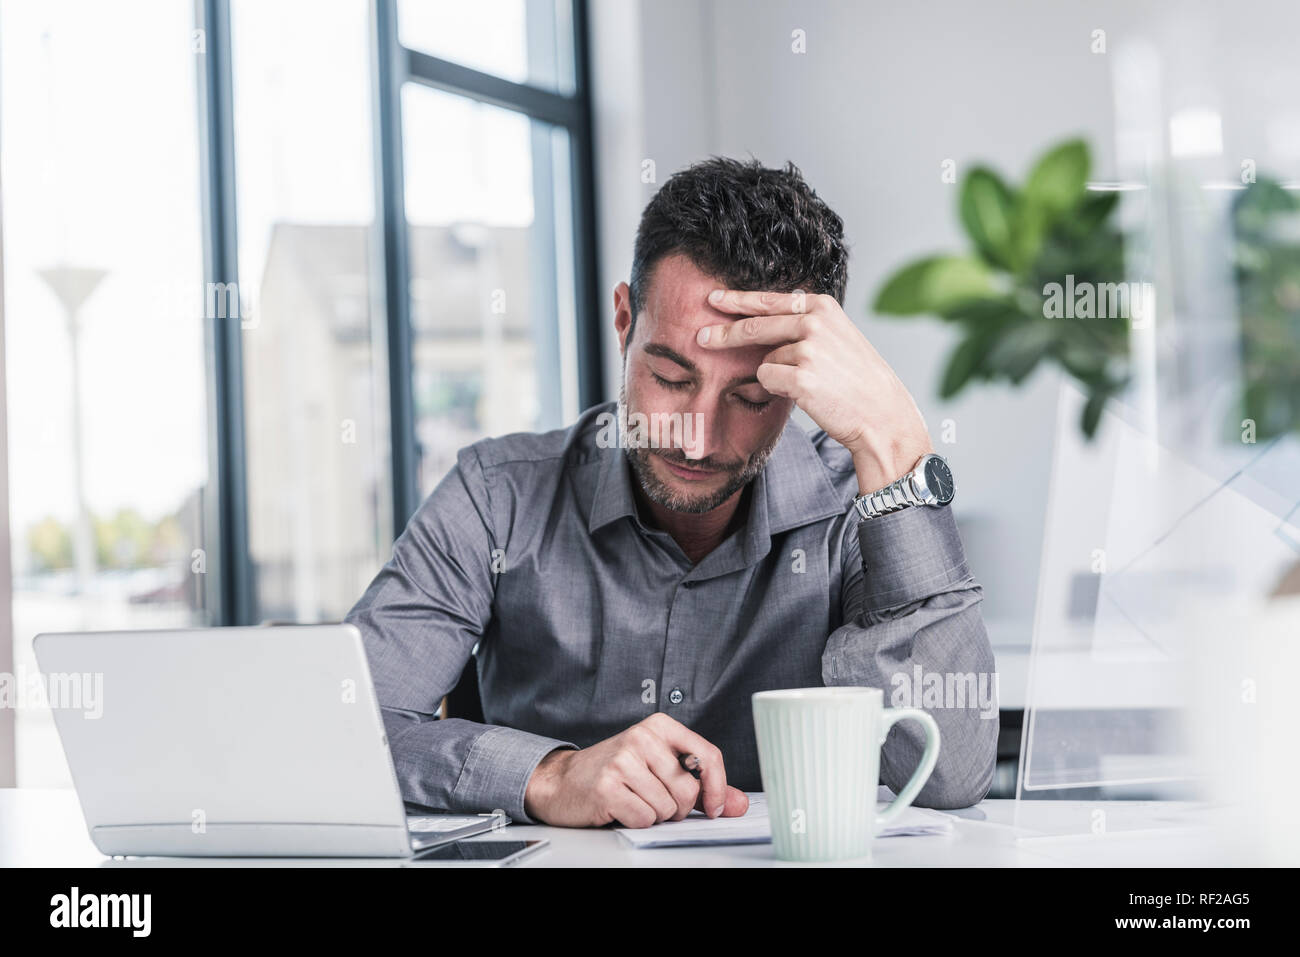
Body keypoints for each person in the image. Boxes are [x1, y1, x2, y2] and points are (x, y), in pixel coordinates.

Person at [346, 156, 998, 828]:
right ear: (624, 320)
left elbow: (953, 771)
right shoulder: (497, 498)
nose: (698, 437)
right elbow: (344, 730)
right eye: (672, 377)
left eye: (750, 396)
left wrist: (894, 443)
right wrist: (549, 773)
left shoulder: (855, 509)